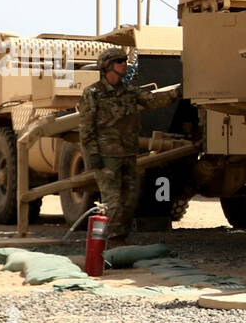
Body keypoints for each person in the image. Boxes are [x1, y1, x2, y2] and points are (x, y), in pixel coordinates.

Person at [77, 46, 181, 245]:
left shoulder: (129, 91)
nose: (124, 64)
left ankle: (121, 239)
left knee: (130, 200)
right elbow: (86, 128)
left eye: (124, 61)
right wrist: (92, 155)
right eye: (119, 61)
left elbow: (152, 100)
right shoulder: (93, 93)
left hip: (128, 154)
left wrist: (177, 93)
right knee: (113, 202)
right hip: (107, 157)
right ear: (108, 66)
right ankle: (112, 241)